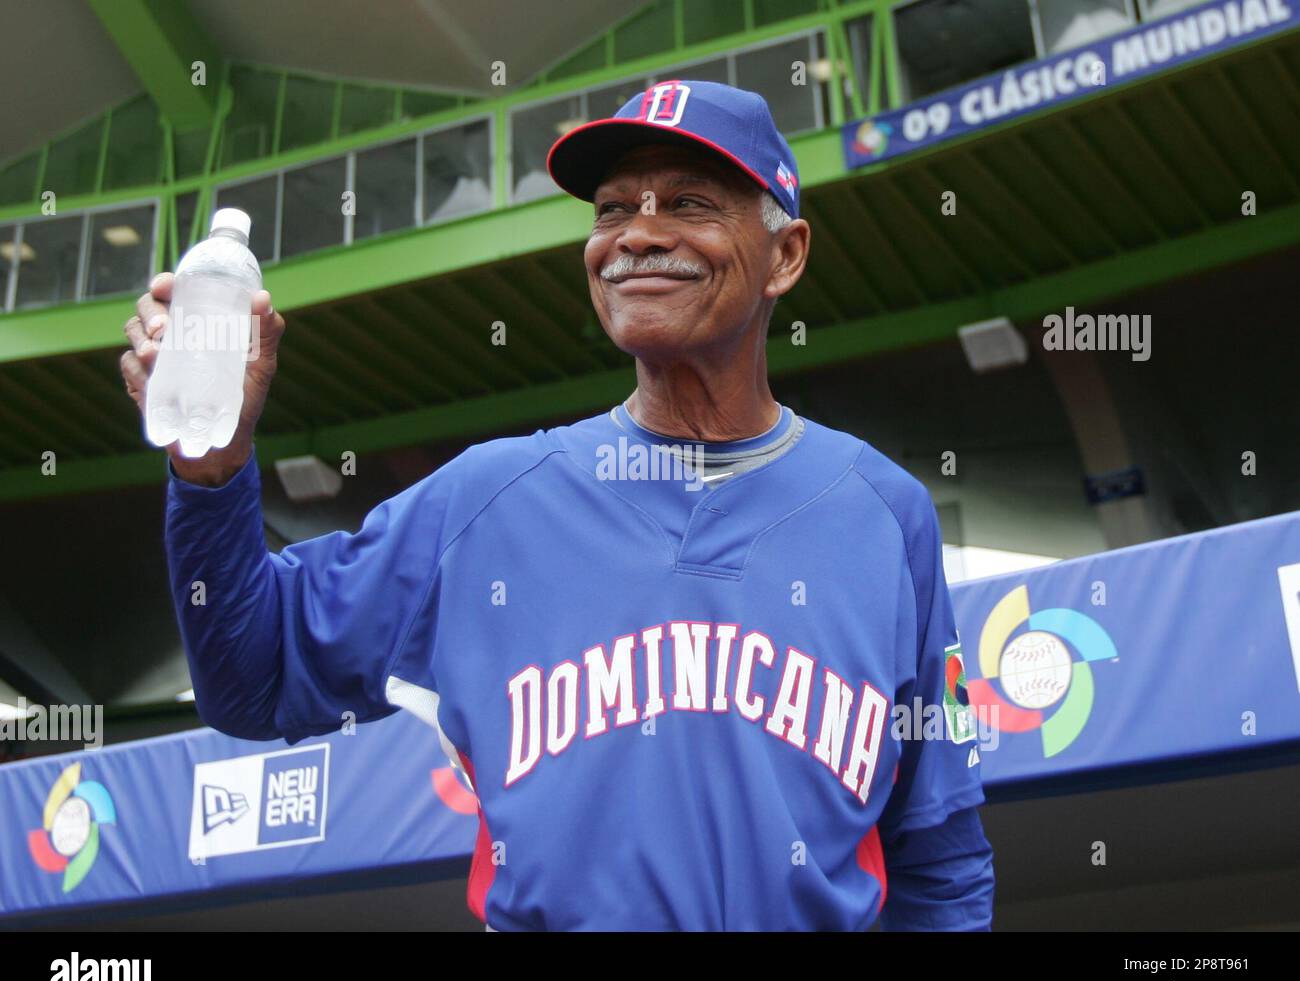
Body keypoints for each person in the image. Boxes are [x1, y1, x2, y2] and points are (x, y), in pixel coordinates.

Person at [120, 79, 994, 931]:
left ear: (786, 255)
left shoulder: (883, 513)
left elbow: (940, 855)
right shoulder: (486, 500)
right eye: (613, 209)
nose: (639, 234)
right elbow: (251, 678)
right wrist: (211, 460)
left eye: (689, 202)